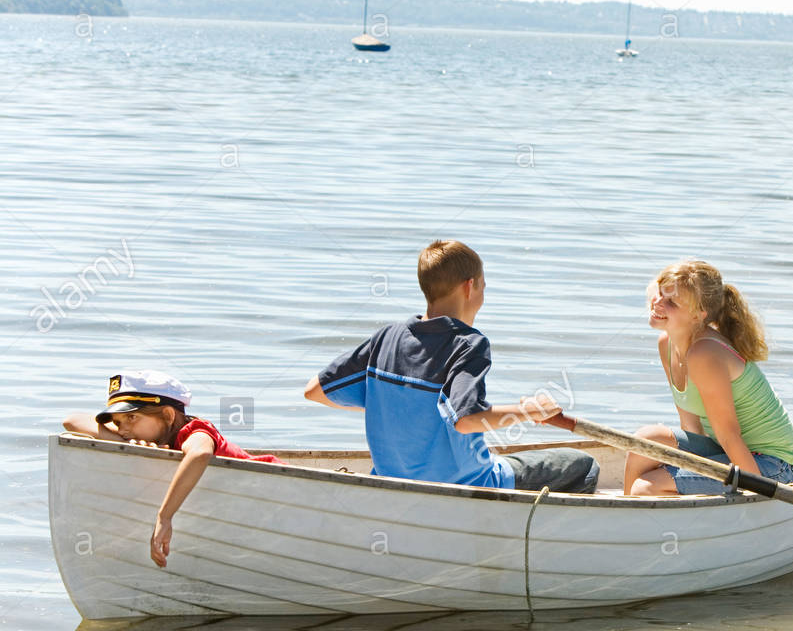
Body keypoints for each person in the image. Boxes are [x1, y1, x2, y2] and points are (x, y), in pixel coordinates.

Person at [306, 239, 599, 493]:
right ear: (469, 287)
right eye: (483, 287)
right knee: (585, 466)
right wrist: (530, 411)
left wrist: (401, 409)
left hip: (390, 480)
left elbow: (316, 391)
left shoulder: (386, 338)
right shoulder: (468, 344)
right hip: (468, 483)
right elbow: (466, 419)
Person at [63, 369, 282, 568]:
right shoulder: (132, 433)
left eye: (131, 417)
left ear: (168, 416)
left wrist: (164, 517)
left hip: (275, 482)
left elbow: (199, 453)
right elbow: (72, 421)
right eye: (119, 423)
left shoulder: (194, 430)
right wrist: (126, 441)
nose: (124, 429)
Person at [624, 260, 793, 496]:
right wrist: (688, 469)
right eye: (660, 293)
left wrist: (755, 492)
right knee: (643, 442)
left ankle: (638, 515)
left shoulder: (704, 353)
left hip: (770, 464)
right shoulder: (667, 343)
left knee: (645, 487)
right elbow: (691, 425)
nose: (657, 303)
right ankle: (623, 521)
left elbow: (729, 433)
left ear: (699, 315)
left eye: (672, 302)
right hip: (725, 449)